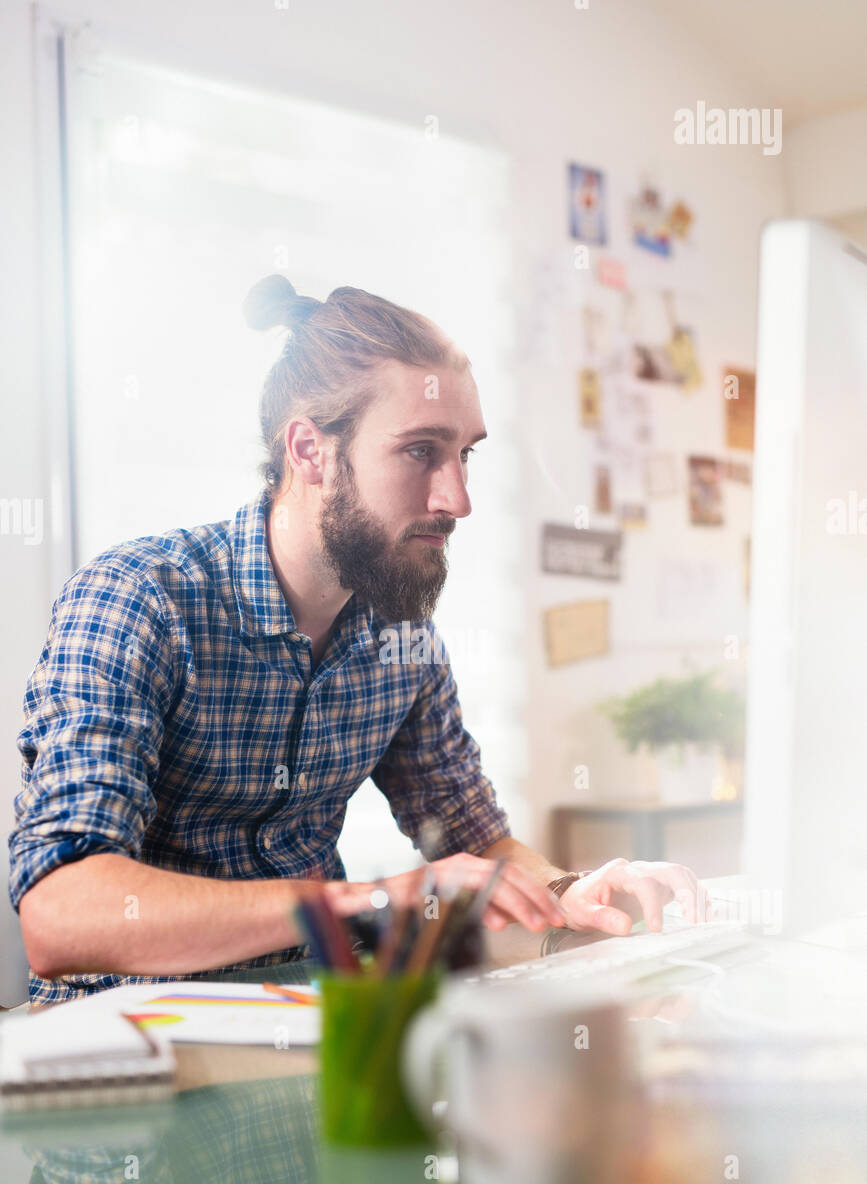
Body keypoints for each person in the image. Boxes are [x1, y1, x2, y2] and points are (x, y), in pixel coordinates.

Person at [10, 275, 706, 1006]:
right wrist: (370, 900)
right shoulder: (139, 600)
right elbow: (62, 913)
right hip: (133, 1043)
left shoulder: (402, 637)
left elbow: (476, 847)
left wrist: (575, 891)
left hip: (321, 1025)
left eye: (465, 454)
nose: (457, 499)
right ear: (309, 451)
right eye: (419, 453)